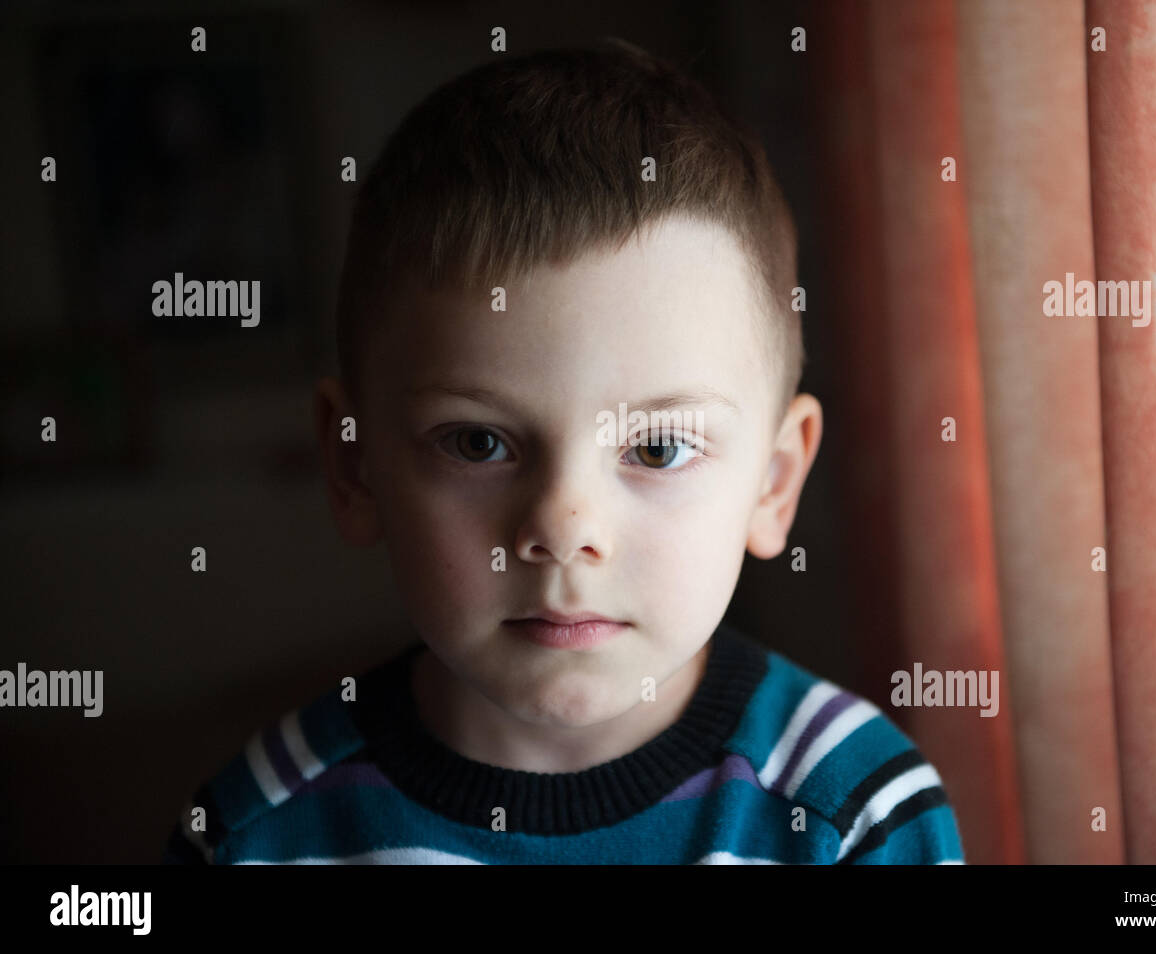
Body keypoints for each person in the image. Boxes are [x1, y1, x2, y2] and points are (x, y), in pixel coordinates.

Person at [163, 38, 964, 865]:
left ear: (774, 478)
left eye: (656, 448)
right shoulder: (255, 832)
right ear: (354, 464)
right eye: (479, 443)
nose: (564, 526)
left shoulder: (855, 810)